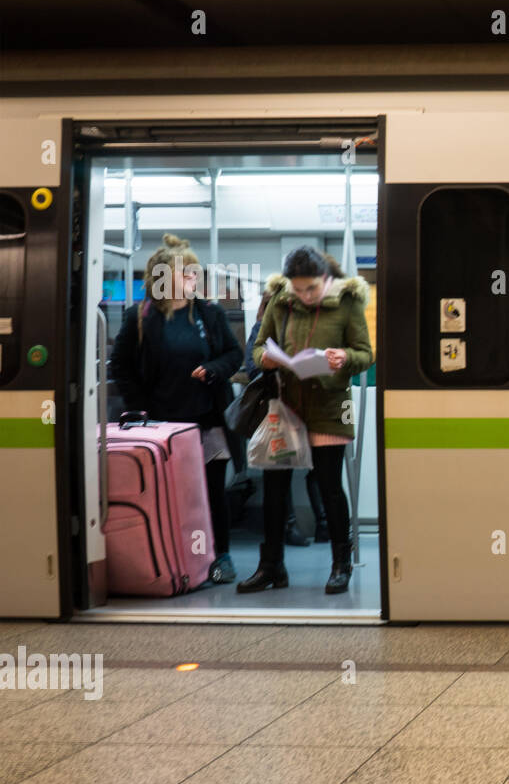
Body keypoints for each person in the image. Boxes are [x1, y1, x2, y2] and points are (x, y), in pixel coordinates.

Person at [237, 247, 372, 596]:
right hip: (286, 404)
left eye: (311, 288)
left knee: (330, 486)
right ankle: (271, 567)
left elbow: (365, 354)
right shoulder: (280, 300)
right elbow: (256, 349)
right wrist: (266, 358)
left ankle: (341, 564)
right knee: (276, 489)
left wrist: (344, 357)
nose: (305, 295)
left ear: (326, 279)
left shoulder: (348, 303)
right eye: (298, 289)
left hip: (329, 405)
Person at [109, 234, 243, 584]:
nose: (193, 280)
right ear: (164, 278)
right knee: (173, 494)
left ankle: (219, 557)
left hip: (208, 421)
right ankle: (179, 557)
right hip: (161, 427)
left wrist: (214, 369)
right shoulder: (141, 317)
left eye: (194, 274)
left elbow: (233, 354)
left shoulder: (209, 314)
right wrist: (140, 410)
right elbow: (120, 367)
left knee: (212, 493)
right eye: (186, 274)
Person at [243, 285, 328, 547]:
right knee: (282, 467)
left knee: (318, 465)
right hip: (277, 409)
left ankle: (324, 524)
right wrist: (276, 366)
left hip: (307, 404)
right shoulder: (260, 330)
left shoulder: (304, 328)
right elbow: (252, 368)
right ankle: (287, 526)